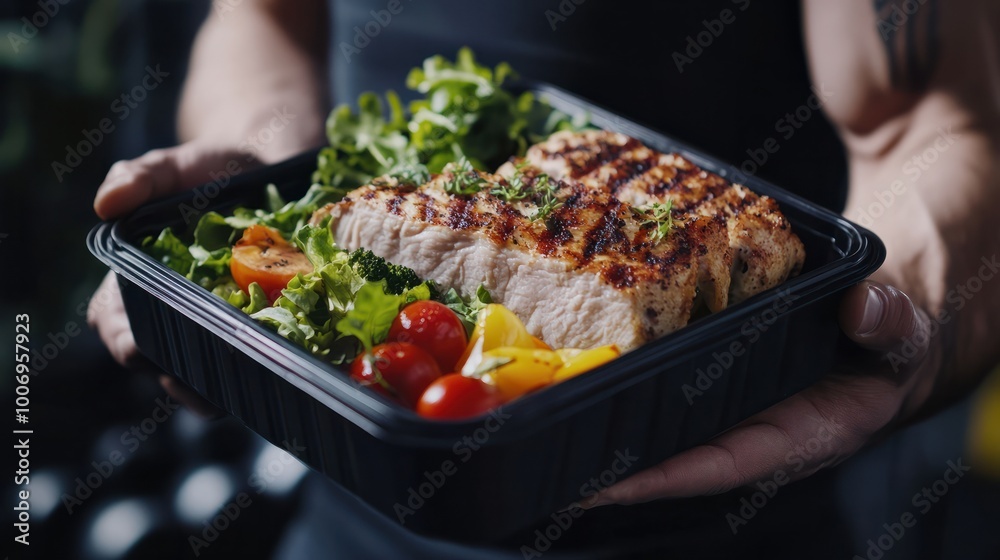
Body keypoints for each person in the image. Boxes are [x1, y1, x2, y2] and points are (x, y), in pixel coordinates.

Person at [88, 0, 1000, 557]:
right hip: (355, 509)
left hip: (737, 520)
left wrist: (907, 325)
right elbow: (259, 18)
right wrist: (260, 164)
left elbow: (930, 114)